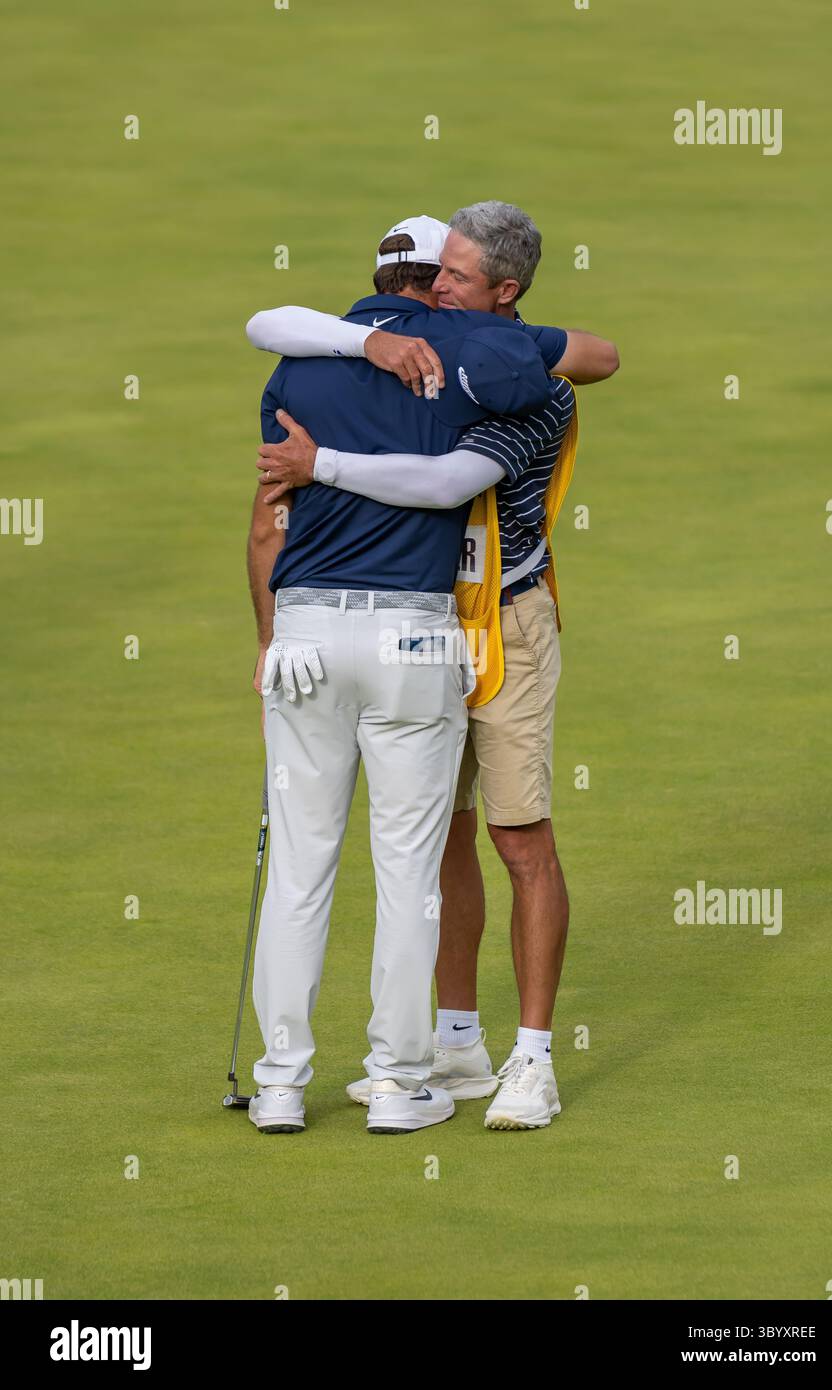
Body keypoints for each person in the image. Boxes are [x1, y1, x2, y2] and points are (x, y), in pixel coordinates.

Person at [246, 202, 619, 1129]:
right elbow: (277, 324)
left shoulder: (525, 377)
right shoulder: (405, 347)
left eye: (457, 277)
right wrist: (366, 348)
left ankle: (531, 1060)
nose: (439, 291)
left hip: (505, 625)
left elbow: (453, 482)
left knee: (516, 834)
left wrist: (318, 463)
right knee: (435, 842)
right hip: (422, 631)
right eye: (435, 274)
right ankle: (449, 1048)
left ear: (503, 292)